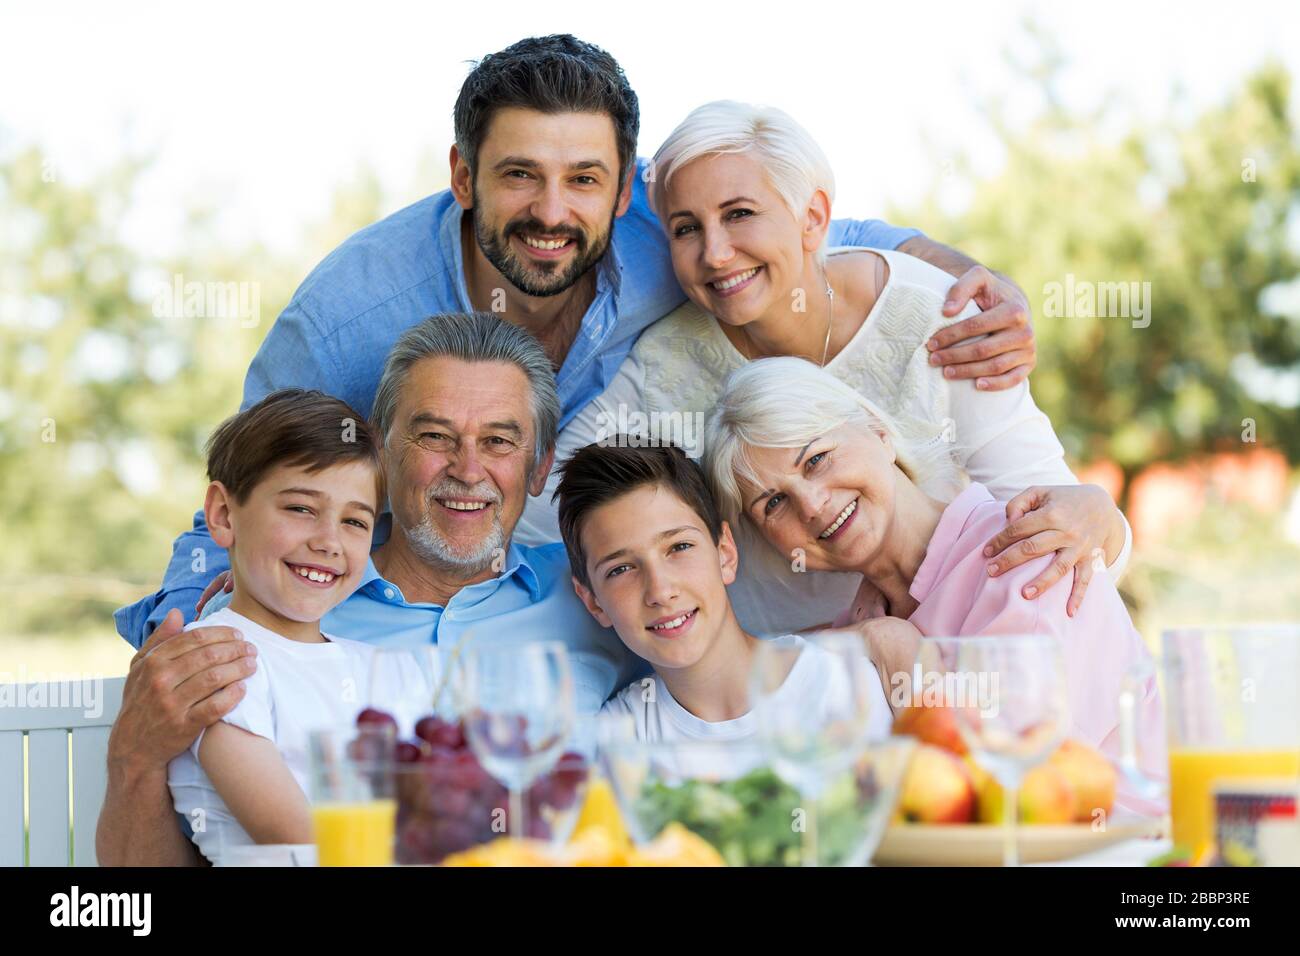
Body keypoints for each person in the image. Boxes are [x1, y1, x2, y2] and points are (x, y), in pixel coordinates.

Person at [519, 100, 1130, 636]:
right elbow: (537, 521)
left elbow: (1064, 538)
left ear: (813, 218)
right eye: (686, 229)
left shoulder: (935, 317)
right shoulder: (663, 367)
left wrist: (1098, 517)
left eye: (739, 214)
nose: (715, 253)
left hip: (971, 643)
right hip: (794, 681)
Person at [97, 312, 643, 865]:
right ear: (383, 451)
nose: (468, 469)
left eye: (500, 441)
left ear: (538, 465)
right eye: (434, 436)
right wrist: (132, 757)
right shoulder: (245, 638)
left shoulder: (598, 590)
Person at [701, 357, 1167, 811]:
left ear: (878, 432)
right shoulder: (859, 624)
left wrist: (896, 648)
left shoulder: (1026, 552)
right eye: (774, 503)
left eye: (817, 459)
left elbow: (1009, 793)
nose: (813, 504)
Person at [163, 389, 403, 864]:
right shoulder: (218, 660)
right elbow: (292, 834)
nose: (329, 541)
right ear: (224, 515)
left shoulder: (370, 662)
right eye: (300, 509)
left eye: (355, 521)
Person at [554, 441, 893, 767]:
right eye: (621, 569)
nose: (660, 590)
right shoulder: (612, 747)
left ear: (725, 554)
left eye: (679, 547)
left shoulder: (846, 684)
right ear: (593, 602)